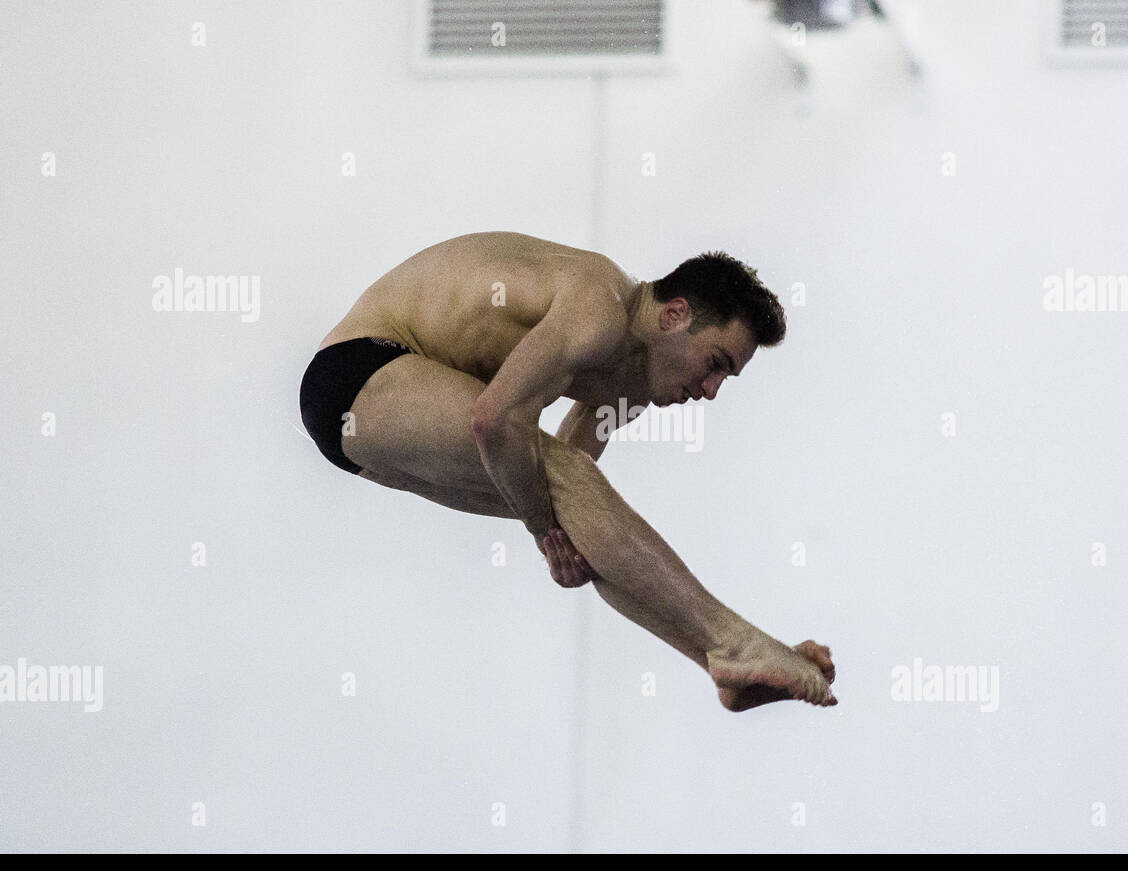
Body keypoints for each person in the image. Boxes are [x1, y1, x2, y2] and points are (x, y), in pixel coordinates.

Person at [299, 232, 837, 711]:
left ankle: (720, 666)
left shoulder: (631, 390)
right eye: (716, 362)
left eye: (727, 378)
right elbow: (495, 421)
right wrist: (543, 528)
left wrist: (561, 536)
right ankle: (733, 642)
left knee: (569, 498)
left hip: (370, 433)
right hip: (356, 371)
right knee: (555, 480)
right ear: (674, 315)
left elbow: (571, 498)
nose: (711, 390)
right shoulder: (599, 304)